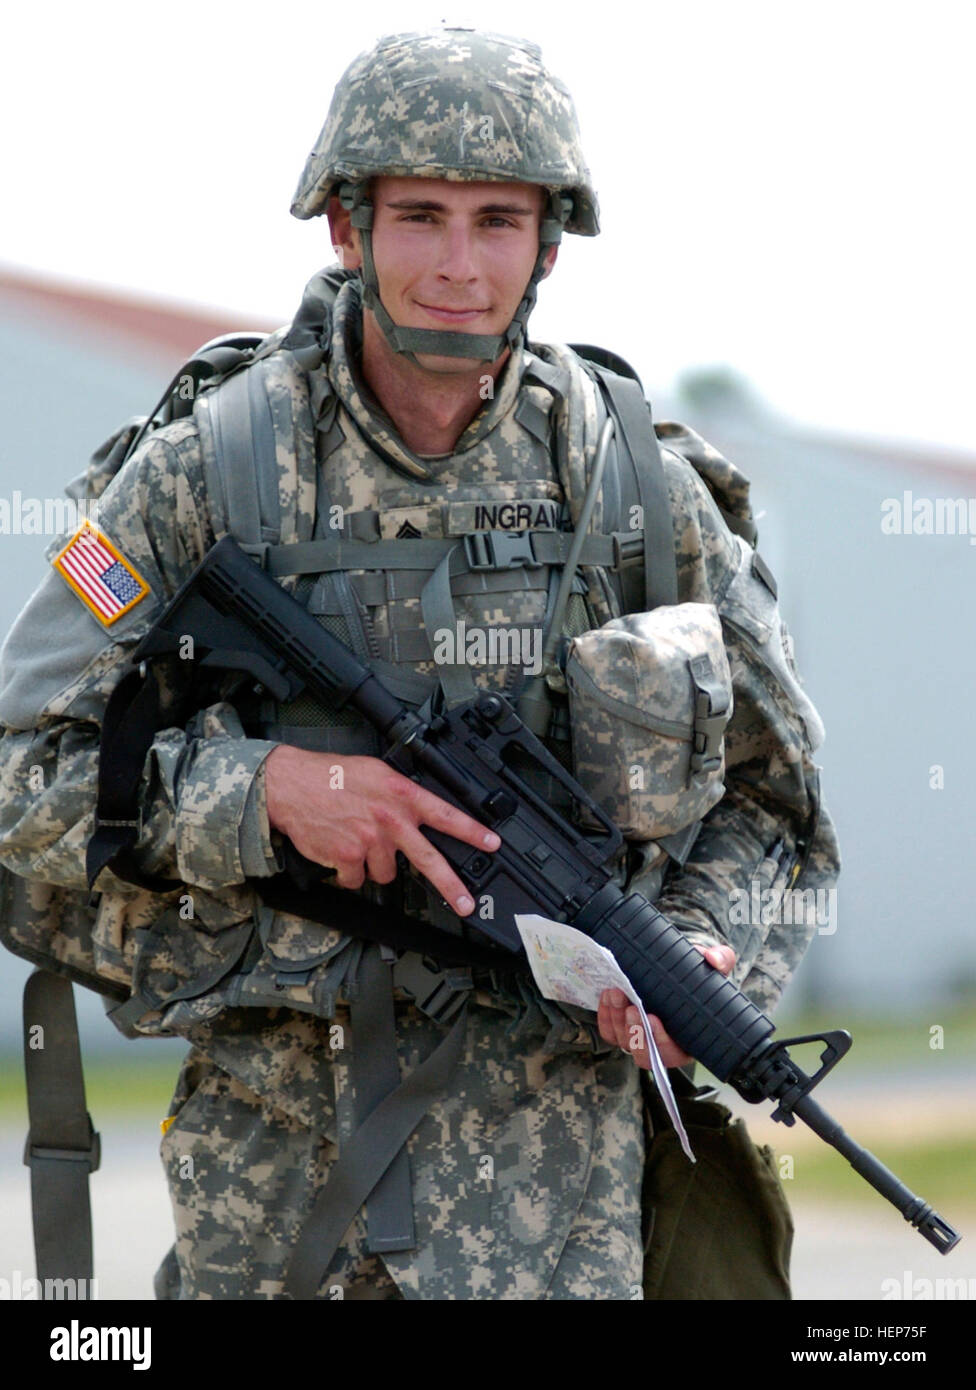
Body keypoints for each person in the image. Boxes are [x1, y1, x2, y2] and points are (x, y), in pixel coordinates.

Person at [0, 27, 838, 1300]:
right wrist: (261, 791)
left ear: (548, 244)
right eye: (420, 217)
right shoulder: (203, 473)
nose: (459, 265)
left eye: (498, 221)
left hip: (561, 1211)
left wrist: (699, 951)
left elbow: (773, 799)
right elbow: (19, 769)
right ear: (347, 226)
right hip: (279, 1182)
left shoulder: (634, 490)